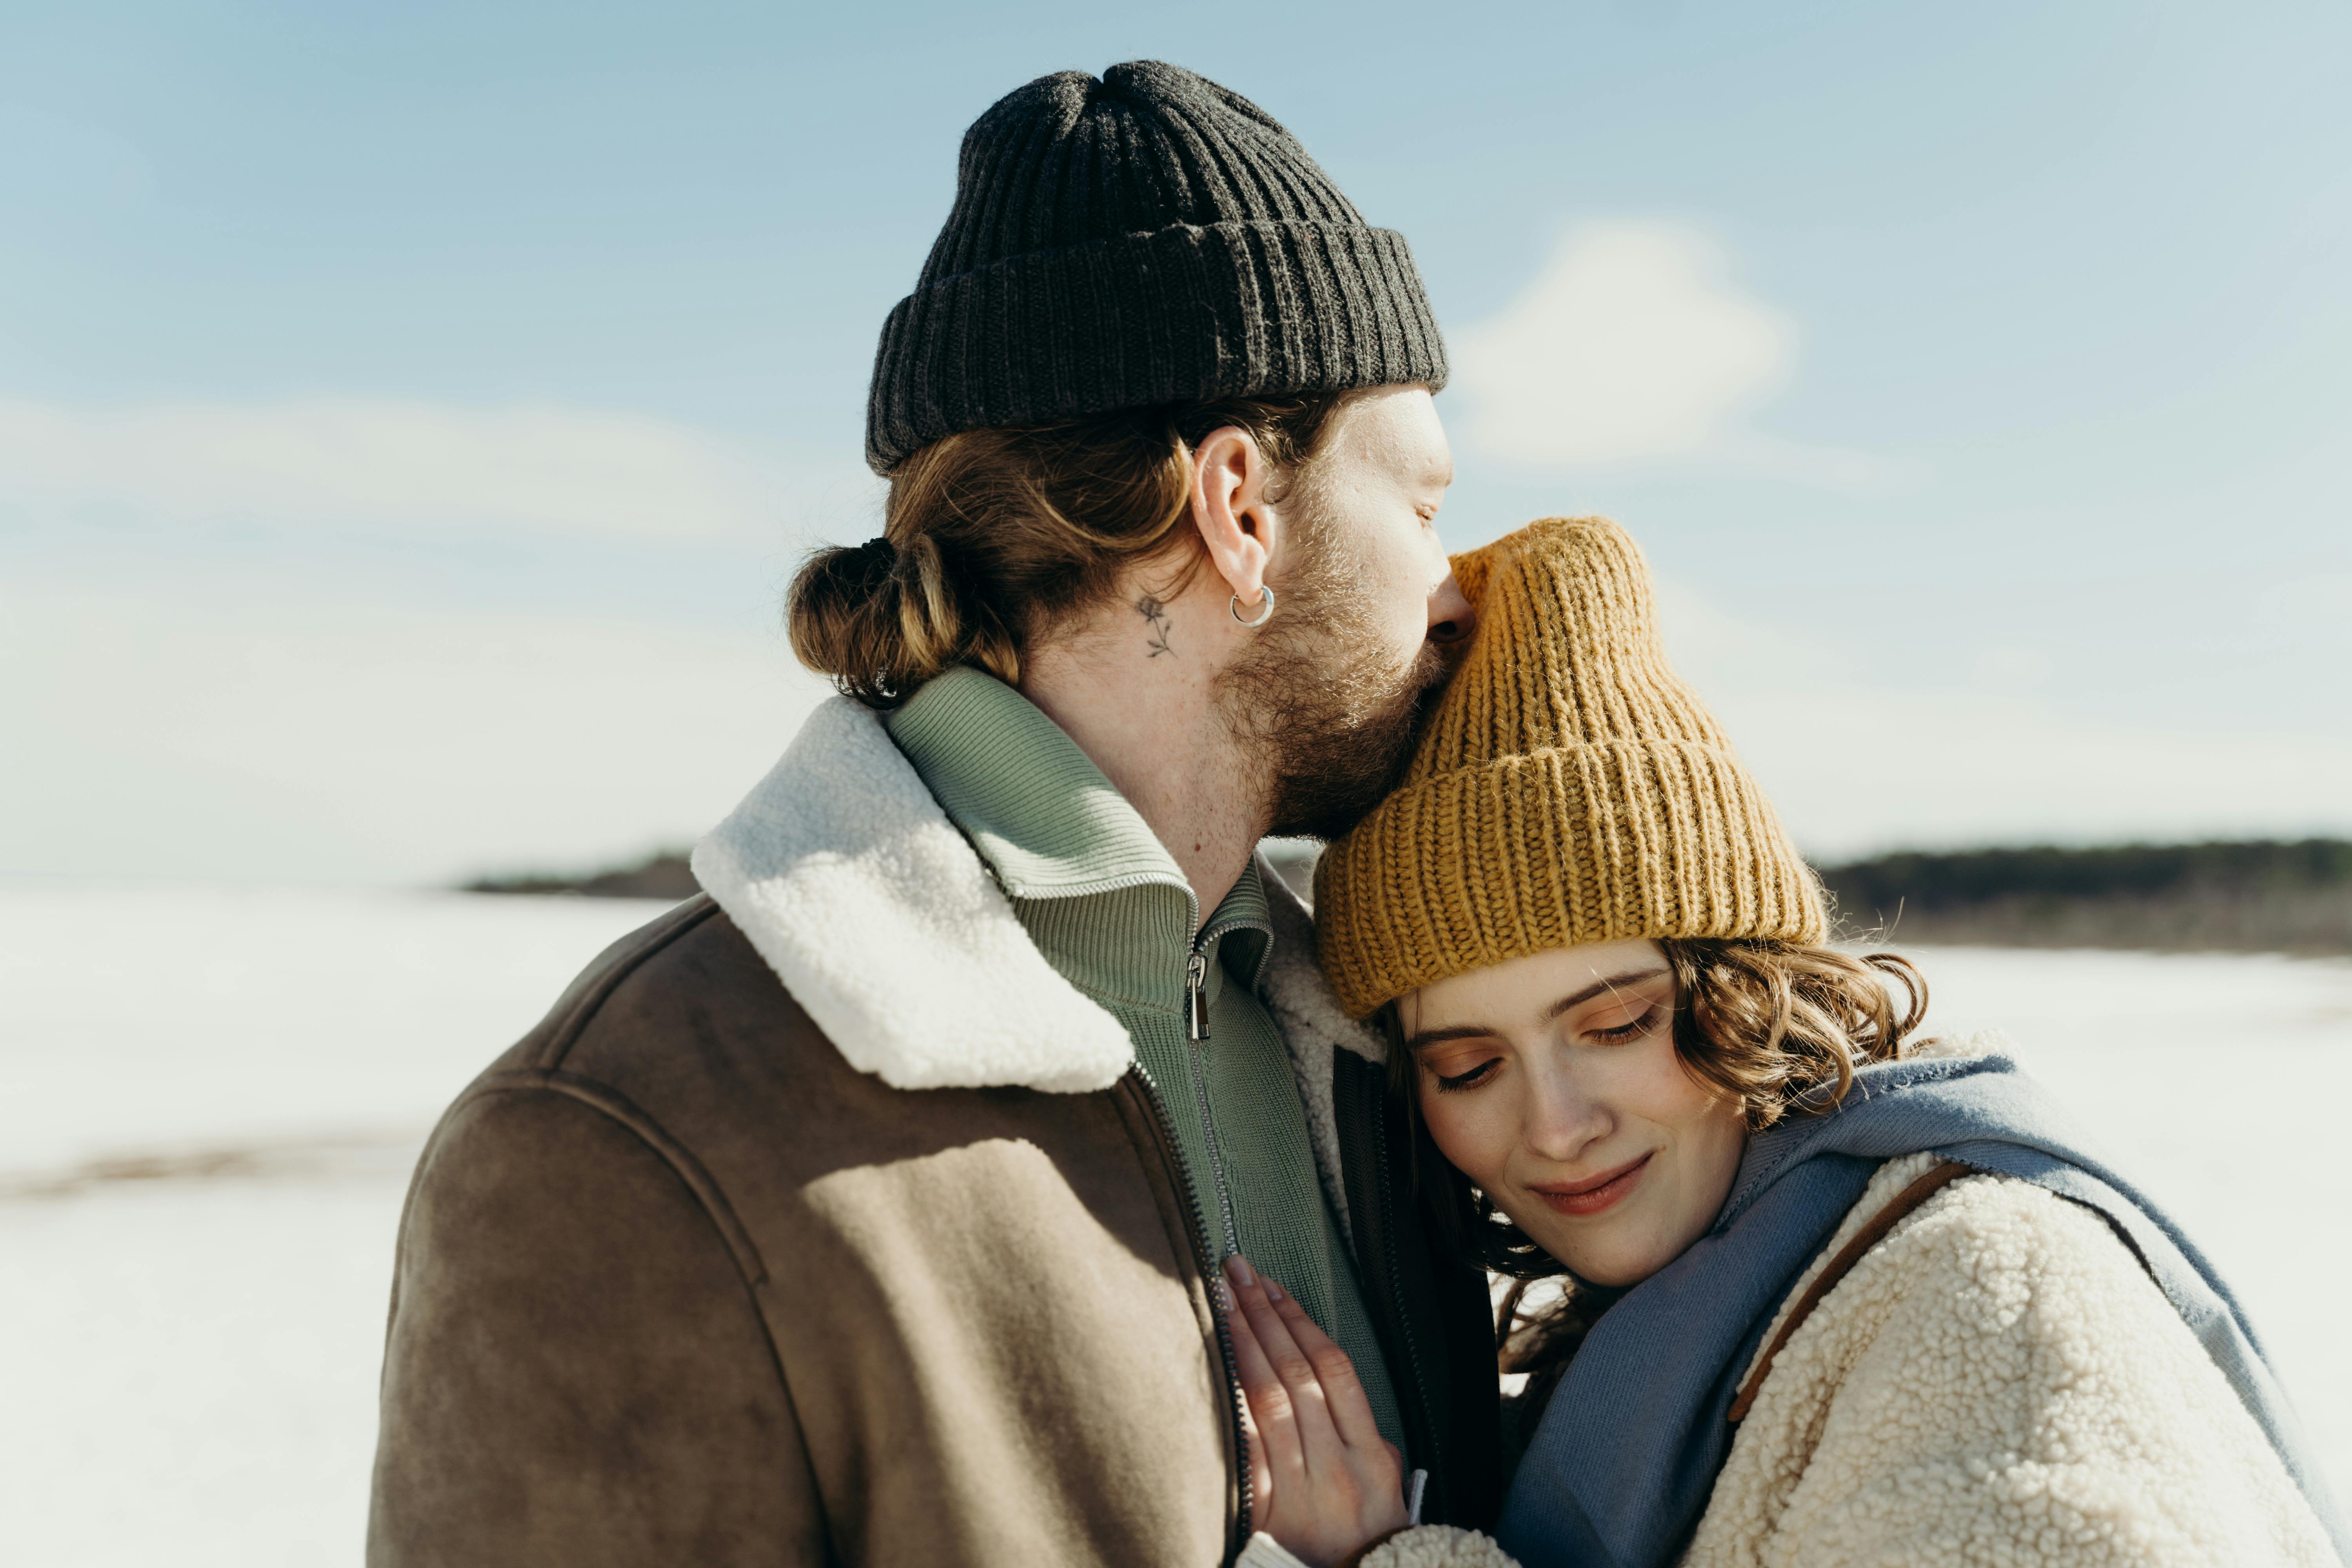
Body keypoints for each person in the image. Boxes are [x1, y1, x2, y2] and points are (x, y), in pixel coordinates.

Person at [366, 60, 1506, 1566]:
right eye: (1420, 505)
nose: (1454, 587)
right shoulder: (628, 1139)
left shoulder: (1388, 1045)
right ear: (1240, 510)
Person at [1220, 516, 2349, 1568]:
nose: (1558, 1126)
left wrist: (1394, 1556)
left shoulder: (1983, 1306)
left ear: (1747, 990)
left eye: (1616, 1025)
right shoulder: (1686, 1318)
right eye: (1468, 1067)